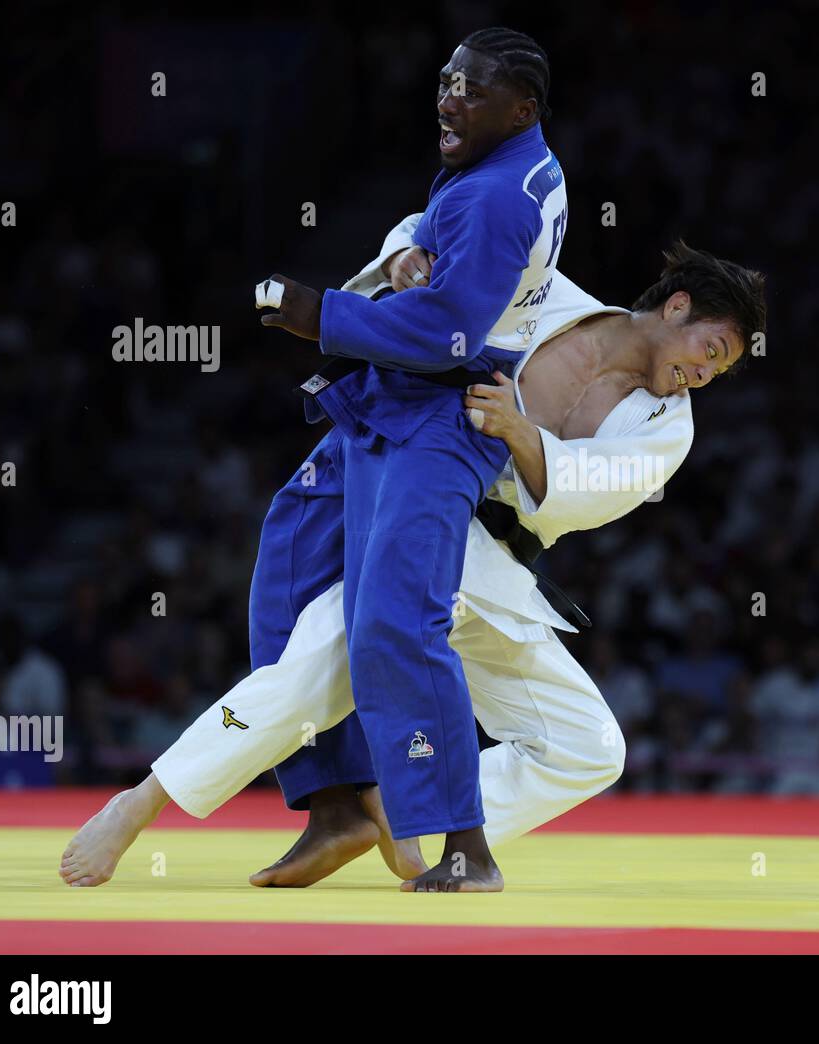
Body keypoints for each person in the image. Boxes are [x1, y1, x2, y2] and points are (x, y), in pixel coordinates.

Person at [59, 242, 766, 890]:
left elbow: (586, 500)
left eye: (719, 370)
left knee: (588, 747)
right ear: (676, 307)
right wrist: (404, 258)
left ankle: (401, 809)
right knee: (313, 673)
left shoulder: (668, 424)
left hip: (498, 573)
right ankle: (139, 803)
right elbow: (438, 238)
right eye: (710, 349)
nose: (702, 374)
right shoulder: (542, 292)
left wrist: (520, 431)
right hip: (420, 525)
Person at [250, 27, 566, 890]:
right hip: (393, 401)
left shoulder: (499, 195)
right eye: (445, 81)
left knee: (395, 615)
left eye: (470, 87)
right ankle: (337, 804)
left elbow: (448, 329)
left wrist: (323, 316)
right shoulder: (501, 169)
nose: (449, 97)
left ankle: (467, 844)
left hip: (444, 411)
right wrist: (405, 250)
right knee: (289, 559)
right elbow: (436, 240)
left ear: (522, 107)